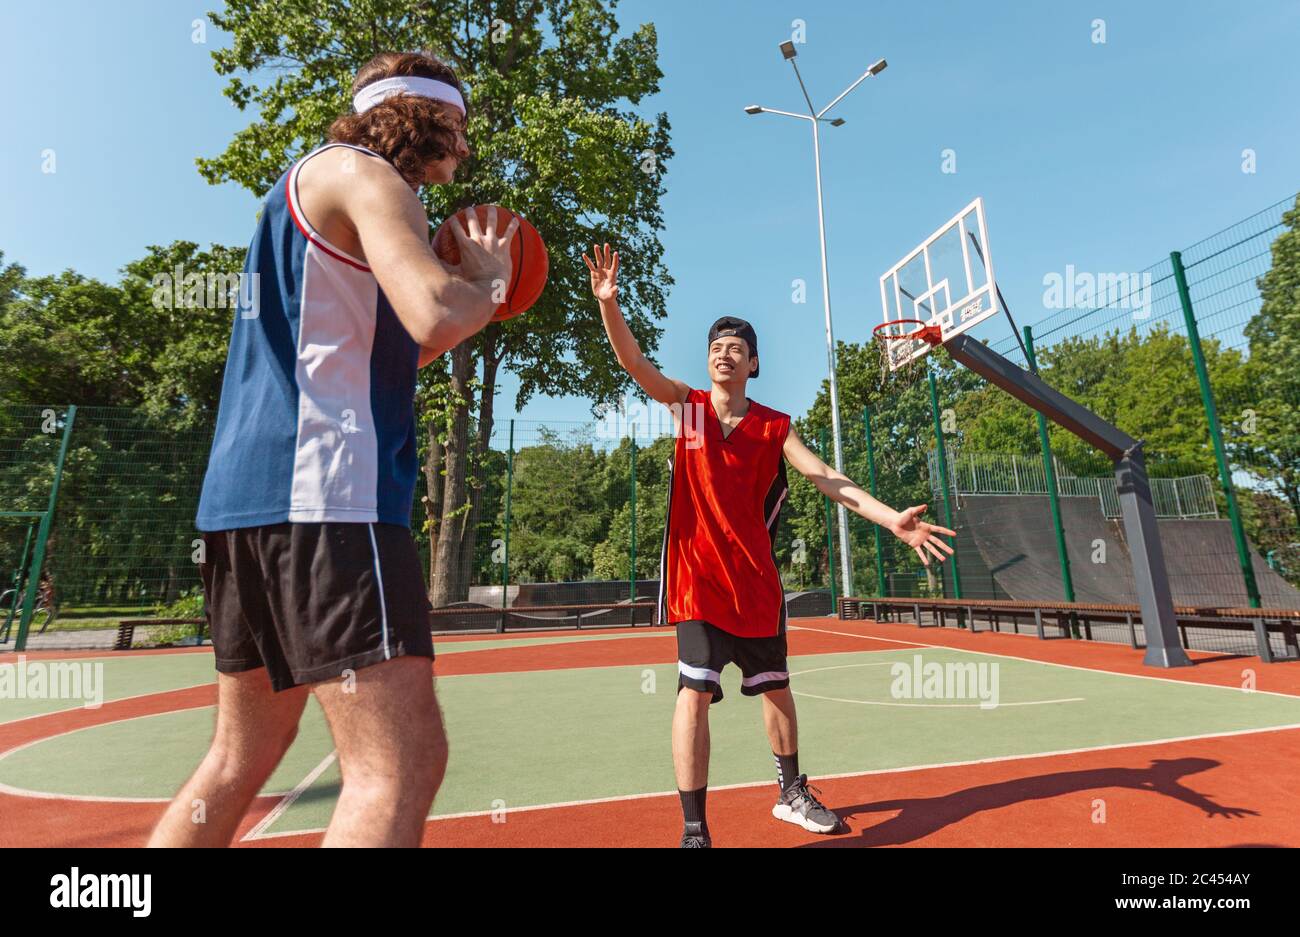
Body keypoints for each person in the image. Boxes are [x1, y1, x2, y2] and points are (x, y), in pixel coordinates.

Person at [149, 52, 519, 848]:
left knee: (238, 755)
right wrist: (487, 281)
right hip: (329, 497)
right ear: (422, 118)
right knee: (399, 764)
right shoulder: (374, 179)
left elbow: (391, 347)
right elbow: (432, 315)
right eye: (456, 131)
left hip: (243, 505)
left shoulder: (302, 190)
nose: (462, 153)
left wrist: (460, 297)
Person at [584, 243, 956, 848]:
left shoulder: (774, 426)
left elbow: (826, 478)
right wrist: (610, 305)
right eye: (715, 347)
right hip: (697, 581)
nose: (723, 354)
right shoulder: (690, 408)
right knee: (694, 692)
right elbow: (636, 367)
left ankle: (790, 791)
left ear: (753, 363)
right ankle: (695, 831)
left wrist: (892, 520)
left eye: (736, 347)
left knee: (776, 689)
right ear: (707, 364)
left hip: (756, 584)